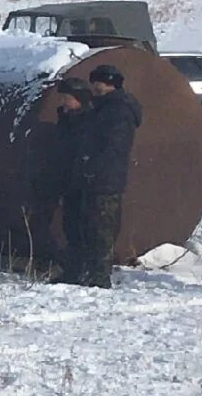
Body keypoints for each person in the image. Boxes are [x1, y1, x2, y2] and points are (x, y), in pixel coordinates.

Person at [62, 63, 142, 289]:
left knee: (102, 230)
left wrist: (94, 166)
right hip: (93, 178)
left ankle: (100, 276)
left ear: (109, 84)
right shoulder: (102, 108)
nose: (95, 87)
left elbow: (115, 146)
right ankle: (84, 272)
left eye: (99, 83)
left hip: (106, 180)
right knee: (86, 227)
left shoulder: (119, 111)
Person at [51, 76, 94, 284]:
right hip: (67, 182)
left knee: (82, 229)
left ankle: (83, 271)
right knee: (70, 228)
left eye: (67, 98)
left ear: (78, 99)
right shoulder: (66, 120)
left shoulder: (88, 122)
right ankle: (72, 270)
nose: (63, 102)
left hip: (82, 183)